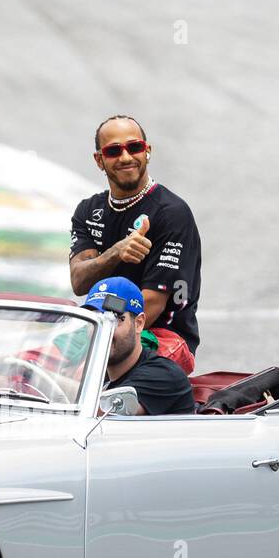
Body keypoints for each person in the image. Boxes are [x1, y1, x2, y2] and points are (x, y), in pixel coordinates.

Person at [69, 115, 202, 375]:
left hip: (163, 336)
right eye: (114, 150)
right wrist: (115, 253)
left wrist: (94, 354)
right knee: (29, 368)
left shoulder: (171, 213)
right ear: (99, 160)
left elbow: (150, 305)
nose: (126, 157)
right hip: (102, 328)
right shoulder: (88, 210)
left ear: (147, 151)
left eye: (135, 147)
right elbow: (79, 281)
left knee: (84, 379)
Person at [85, 277, 194, 415]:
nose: (103, 329)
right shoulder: (99, 374)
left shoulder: (163, 375)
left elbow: (103, 411)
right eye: (95, 320)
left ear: (139, 323)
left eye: (114, 319)